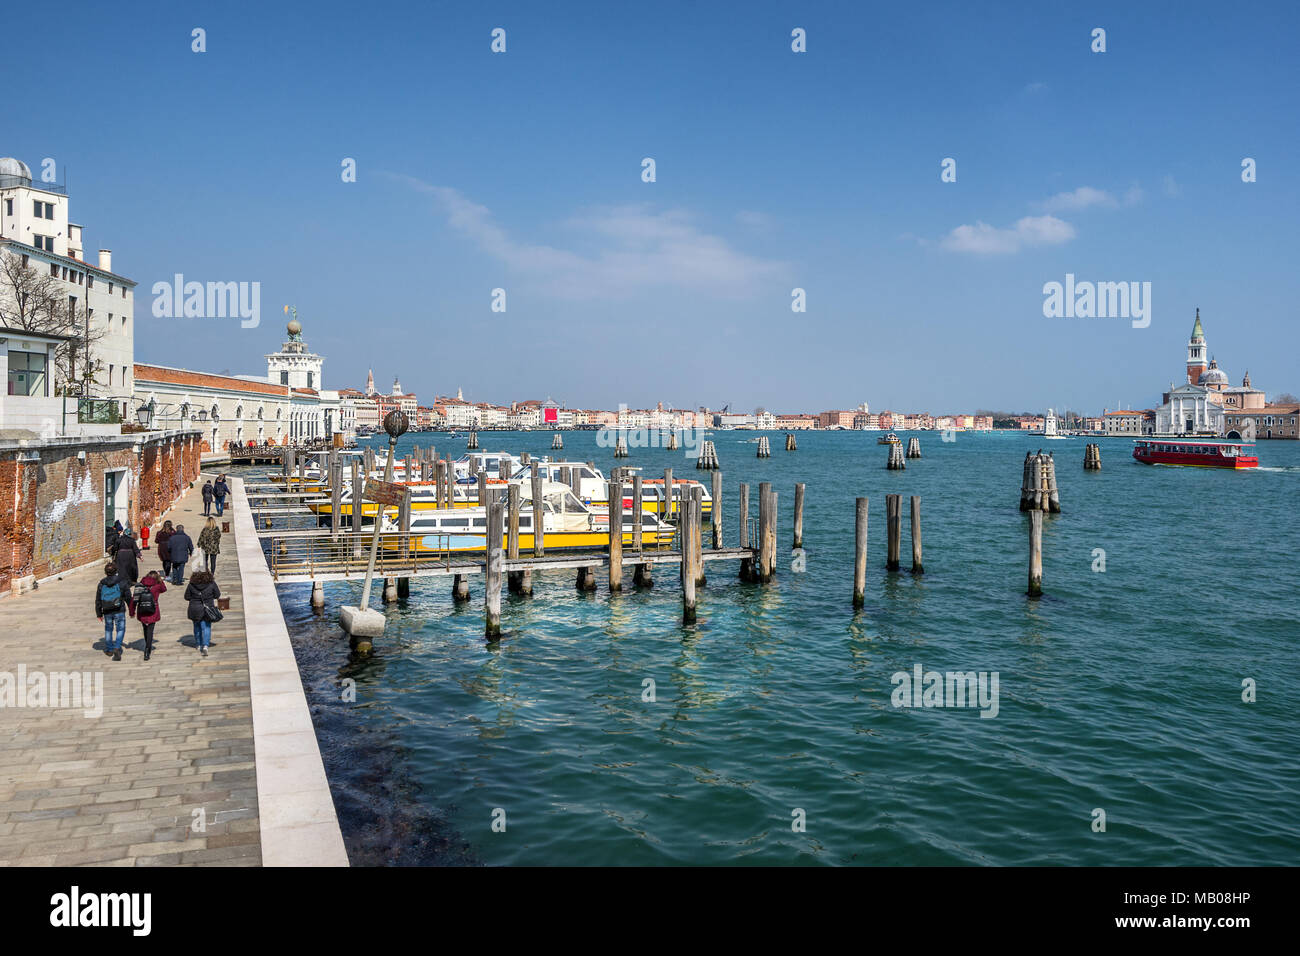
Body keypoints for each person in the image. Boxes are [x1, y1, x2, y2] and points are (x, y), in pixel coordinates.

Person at [128, 569, 167, 661]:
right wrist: (160, 579)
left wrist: (131, 612)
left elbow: (133, 600)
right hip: (153, 610)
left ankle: (147, 645)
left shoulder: (139, 586)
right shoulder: (157, 586)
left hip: (142, 610)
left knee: (145, 629)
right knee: (150, 630)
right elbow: (164, 589)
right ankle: (147, 649)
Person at [94, 562, 127, 661]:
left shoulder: (101, 583)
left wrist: (98, 613)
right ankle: (117, 647)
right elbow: (128, 596)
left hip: (107, 610)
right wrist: (132, 609)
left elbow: (98, 600)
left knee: (108, 629)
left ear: (105, 572)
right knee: (120, 629)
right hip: (119, 609)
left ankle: (109, 649)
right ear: (116, 571)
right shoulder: (121, 581)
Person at [184, 570, 220, 657]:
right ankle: (205, 645)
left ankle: (198, 644)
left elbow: (187, 597)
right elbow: (217, 595)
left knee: (197, 626)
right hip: (207, 609)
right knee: (206, 627)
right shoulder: (211, 584)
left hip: (195, 608)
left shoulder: (191, 584)